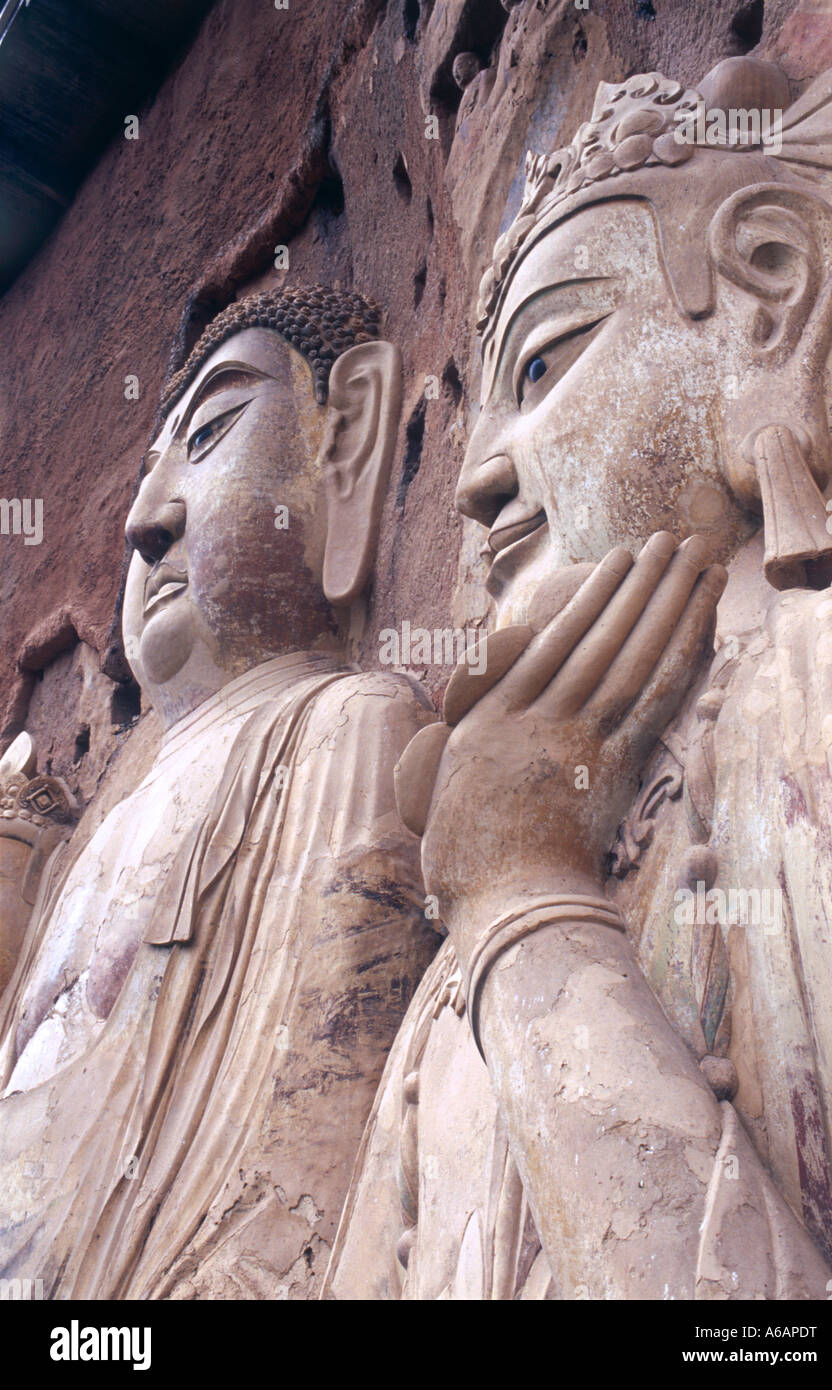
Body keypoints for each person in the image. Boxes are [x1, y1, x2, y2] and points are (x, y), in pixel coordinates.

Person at [325, 59, 832, 1299]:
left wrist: (527, 895)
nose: (474, 488)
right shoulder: (446, 971)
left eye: (540, 371)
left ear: (772, 295)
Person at [0, 284, 438, 1298]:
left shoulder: (343, 727)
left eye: (210, 434)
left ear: (347, 448)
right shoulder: (99, 828)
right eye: (150, 470)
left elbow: (310, 1136)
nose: (145, 522)